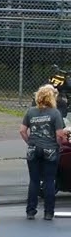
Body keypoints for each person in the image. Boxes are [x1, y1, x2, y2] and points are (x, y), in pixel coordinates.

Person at [20, 83, 68, 220]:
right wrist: (58, 146)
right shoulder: (55, 113)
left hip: (33, 149)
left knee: (34, 180)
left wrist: (30, 142)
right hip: (50, 149)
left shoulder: (30, 112)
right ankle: (48, 212)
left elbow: (22, 131)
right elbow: (60, 135)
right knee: (49, 181)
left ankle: (30, 211)